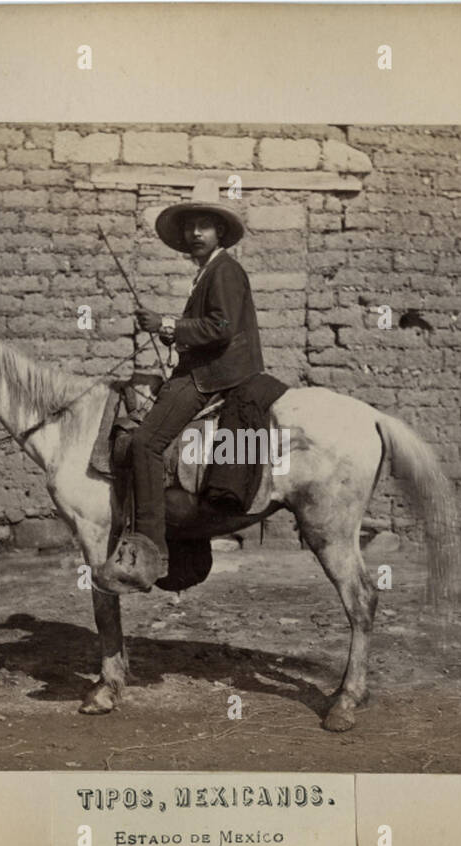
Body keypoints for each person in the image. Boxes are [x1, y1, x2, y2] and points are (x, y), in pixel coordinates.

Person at [94, 181, 265, 593]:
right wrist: (176, 335)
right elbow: (207, 328)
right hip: (208, 366)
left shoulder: (224, 270)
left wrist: (167, 324)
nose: (194, 234)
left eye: (203, 226)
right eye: (190, 227)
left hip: (217, 375)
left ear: (219, 233)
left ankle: (150, 550)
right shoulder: (208, 272)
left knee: (144, 443)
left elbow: (221, 327)